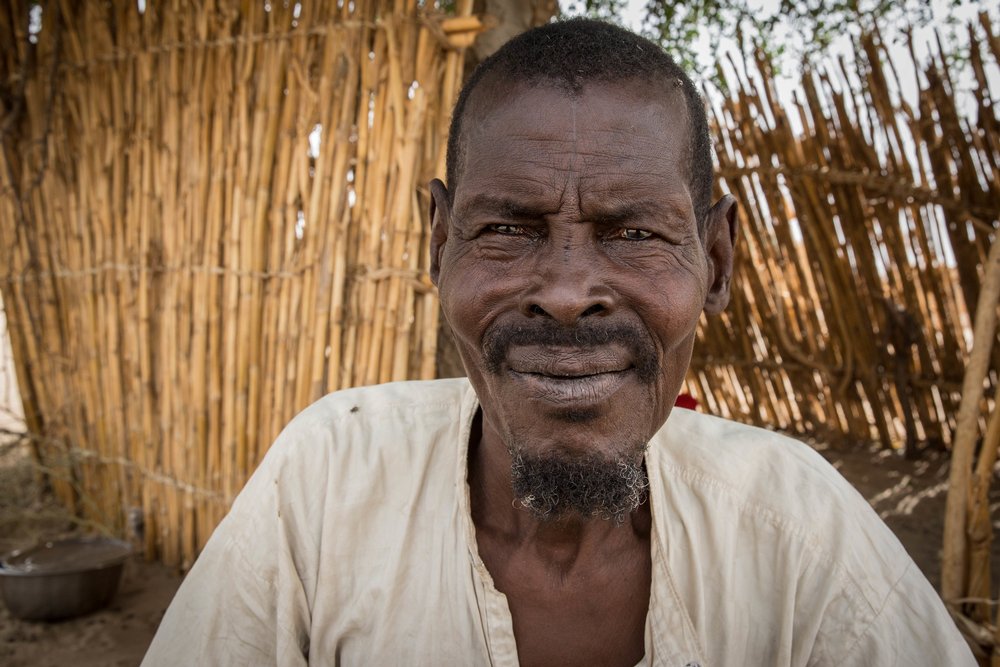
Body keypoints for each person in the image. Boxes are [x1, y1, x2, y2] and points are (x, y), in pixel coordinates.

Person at [143, 19, 974, 666]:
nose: (570, 294)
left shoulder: (797, 533)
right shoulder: (326, 486)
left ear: (715, 262)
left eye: (635, 231)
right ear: (439, 246)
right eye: (506, 227)